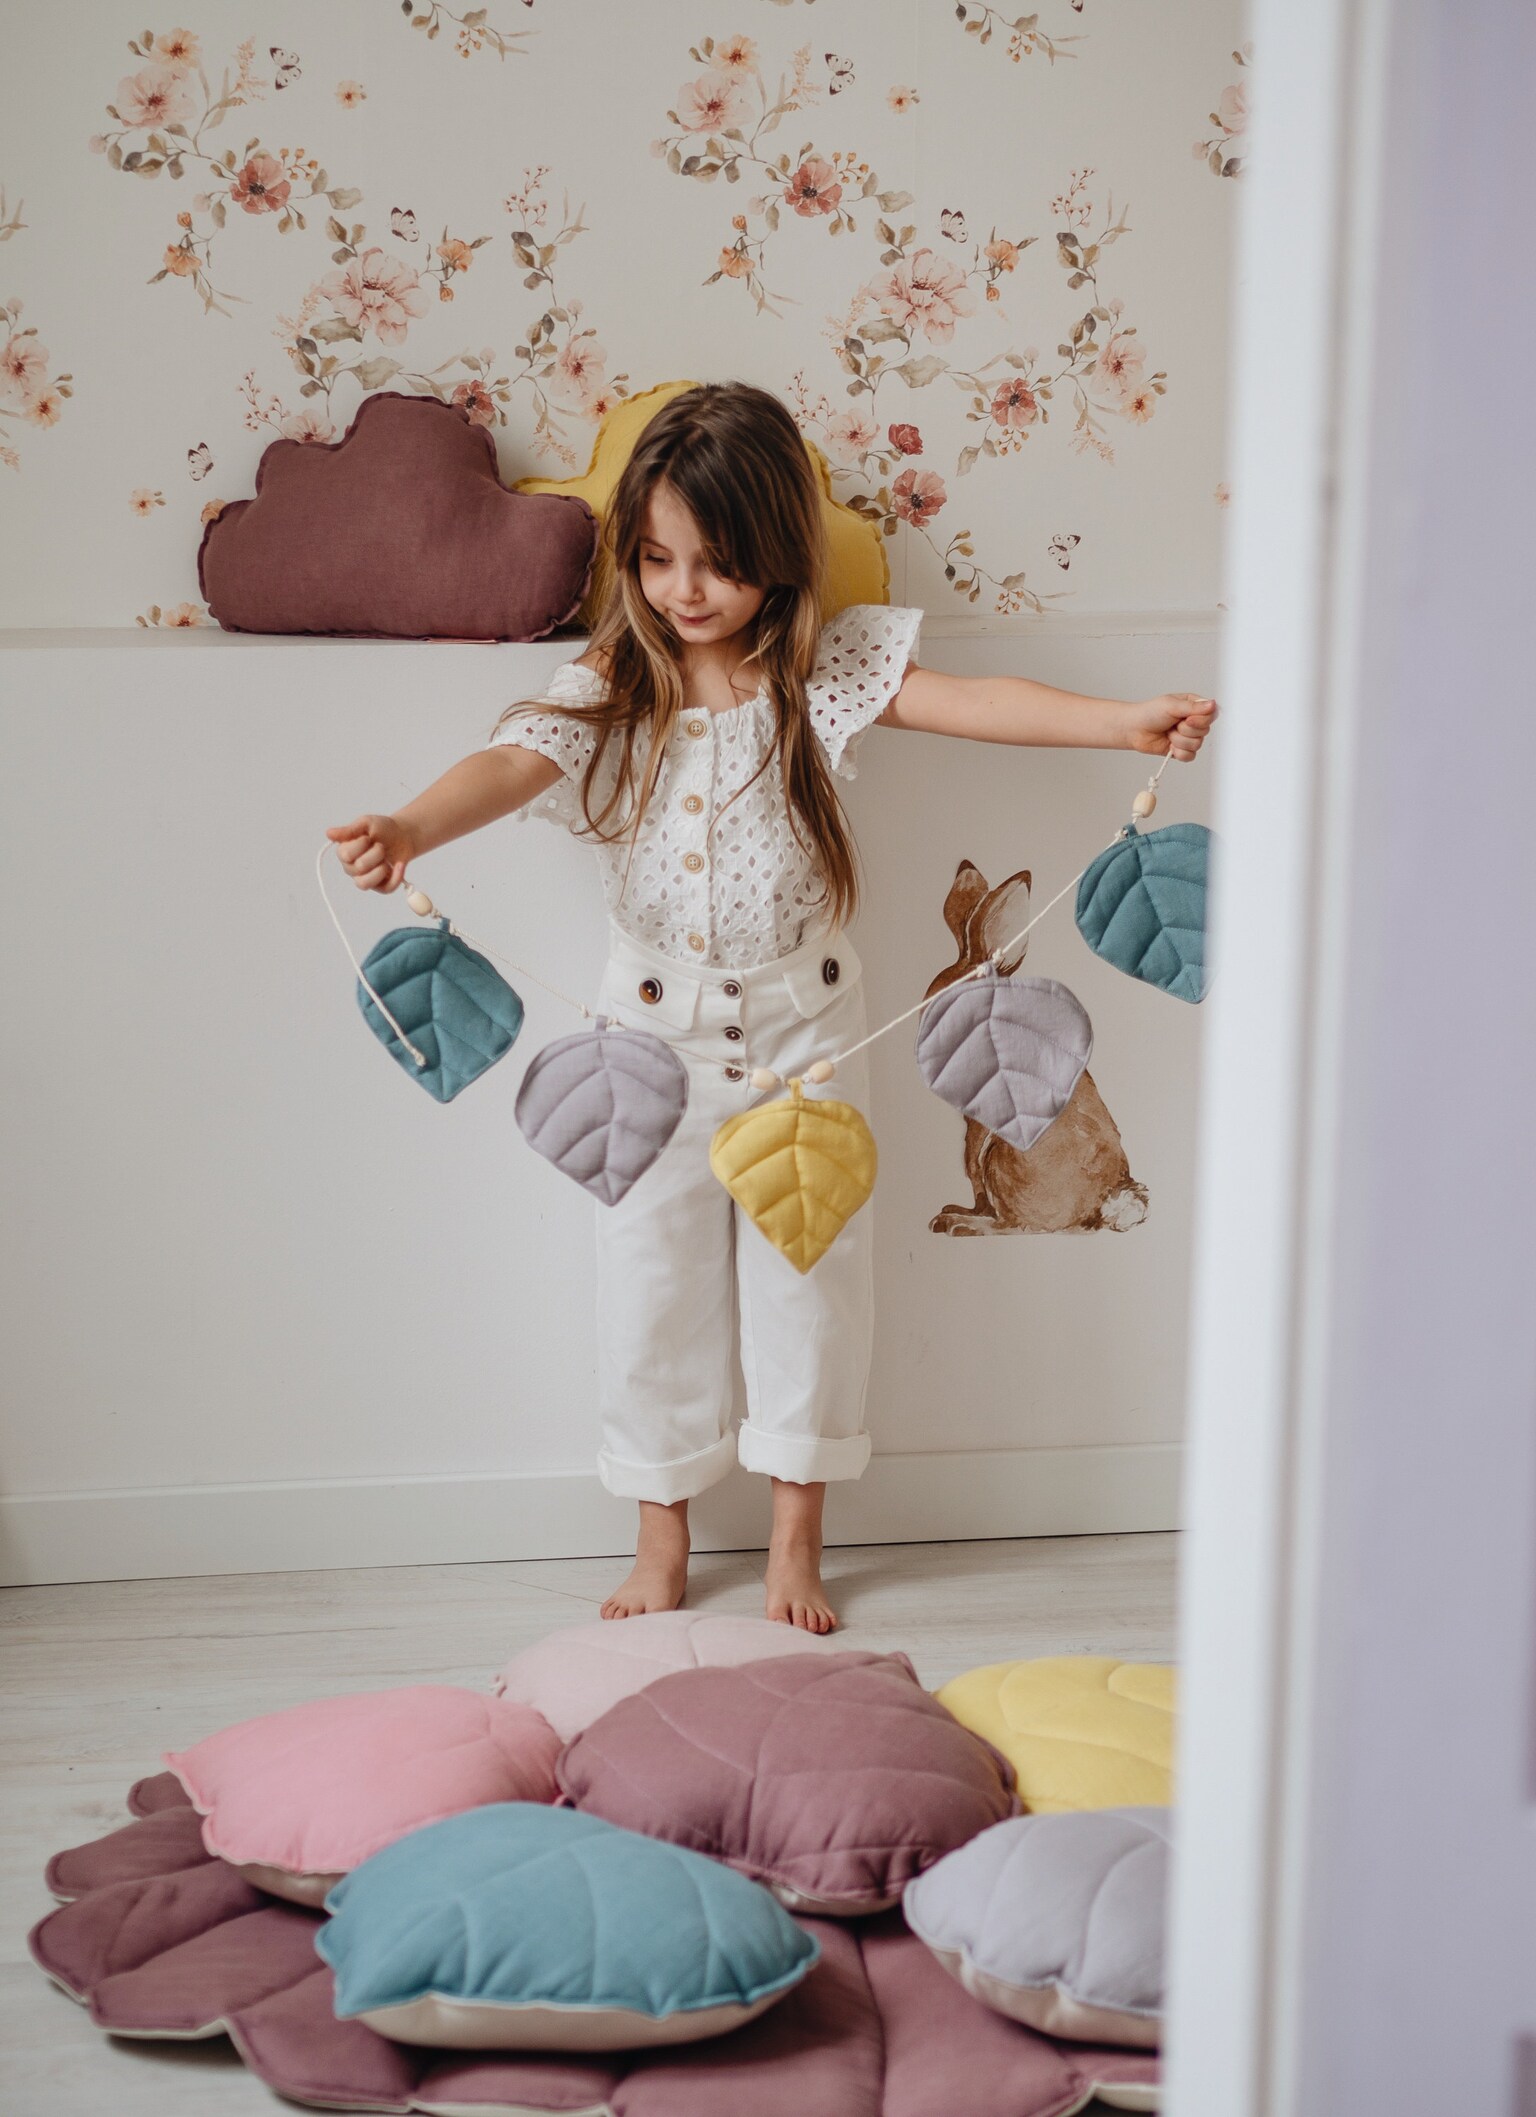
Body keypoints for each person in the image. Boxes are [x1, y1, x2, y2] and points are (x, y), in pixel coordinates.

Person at [327, 381, 1215, 1634]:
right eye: (658, 559)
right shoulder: (612, 684)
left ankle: (798, 1538)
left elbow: (974, 701)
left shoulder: (825, 669)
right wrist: (411, 823)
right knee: (648, 1285)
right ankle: (661, 1534)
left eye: (720, 564)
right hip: (645, 1039)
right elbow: (511, 760)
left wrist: (1122, 722)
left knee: (814, 1281)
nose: (686, 591)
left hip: (807, 1035)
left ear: (777, 564)